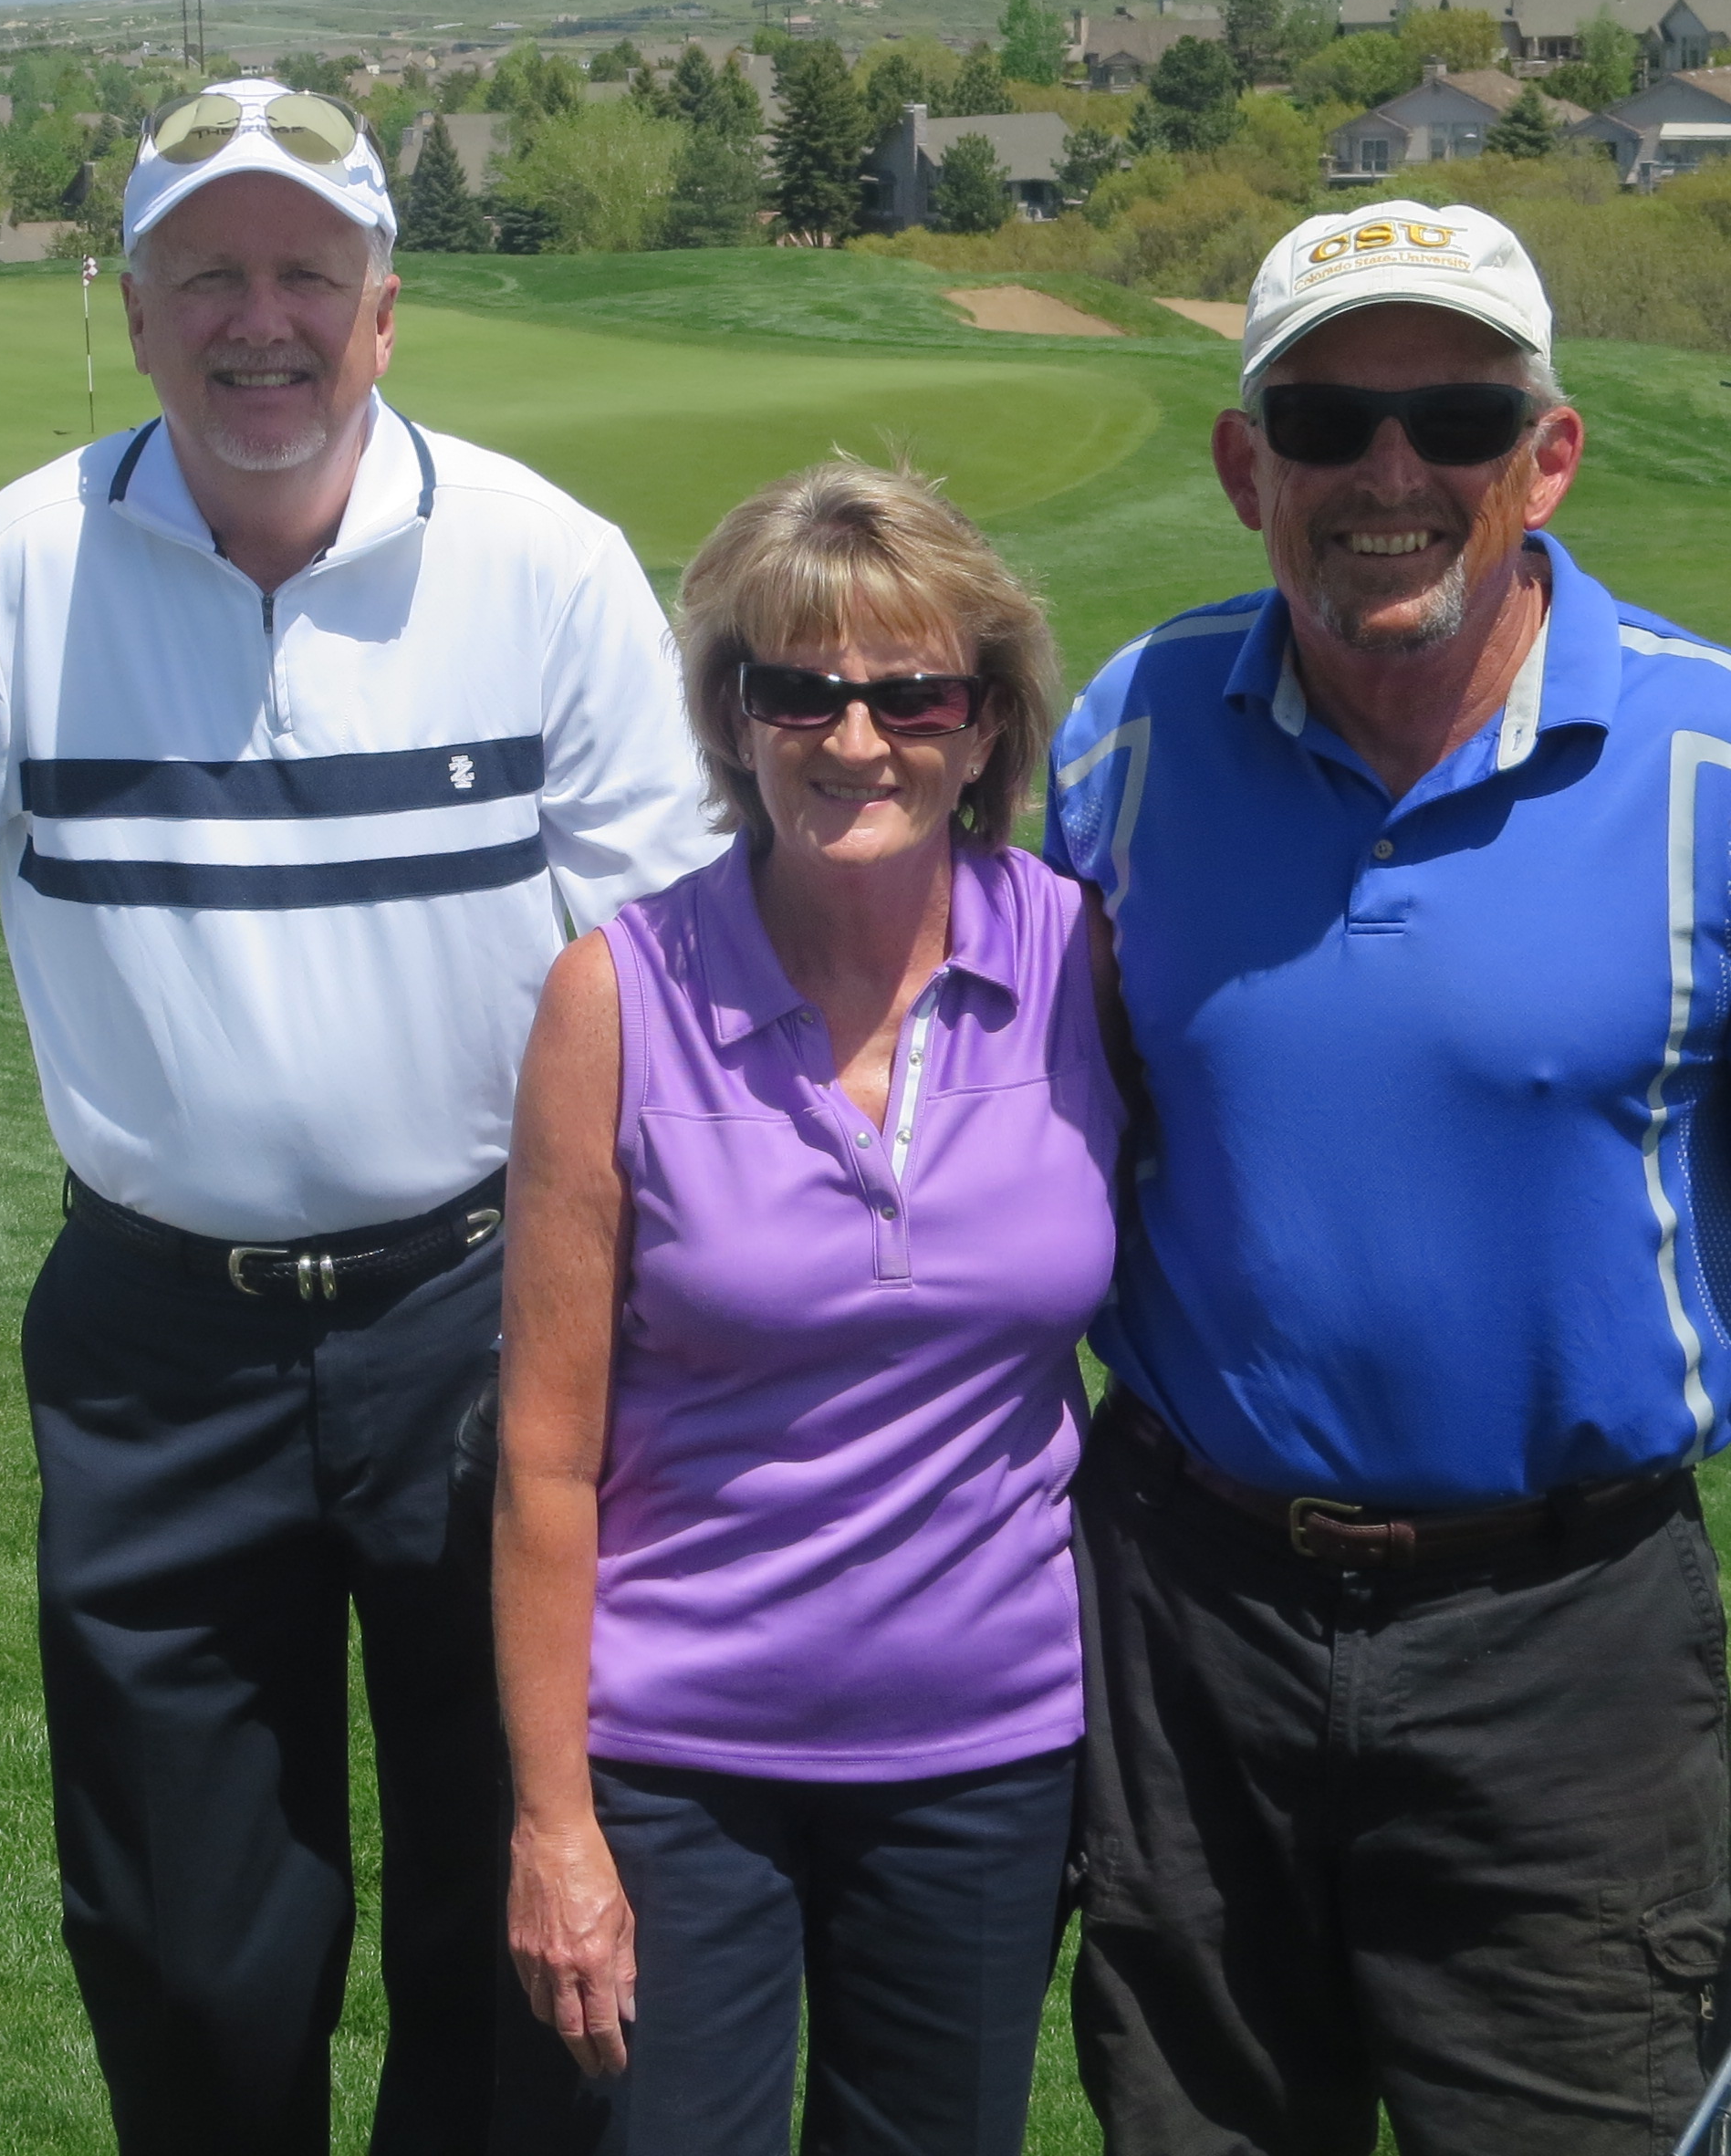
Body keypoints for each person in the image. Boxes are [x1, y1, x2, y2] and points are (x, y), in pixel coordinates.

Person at [0, 78, 716, 2154]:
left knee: (517, 1909)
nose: (256, 319)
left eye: (305, 272)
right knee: (189, 1942)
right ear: (132, 309)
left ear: (385, 310)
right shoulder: (9, 570)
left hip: (482, 1320)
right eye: (207, 271)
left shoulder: (542, 565)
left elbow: (671, 967)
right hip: (156, 1342)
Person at [1048, 201, 1731, 2156]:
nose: (1388, 475)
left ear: (1548, 451)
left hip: (1561, 1633)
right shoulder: (1132, 732)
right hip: (1187, 1616)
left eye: (1451, 415)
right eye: (1327, 421)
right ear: (1242, 461)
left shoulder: (1702, 760)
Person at [495, 462, 1127, 2154]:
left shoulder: (1080, 957)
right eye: (801, 692)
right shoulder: (612, 995)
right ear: (734, 717)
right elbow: (544, 1459)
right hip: (678, 1761)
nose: (858, 742)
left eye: (913, 692)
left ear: (987, 724)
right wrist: (554, 1820)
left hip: (987, 1757)